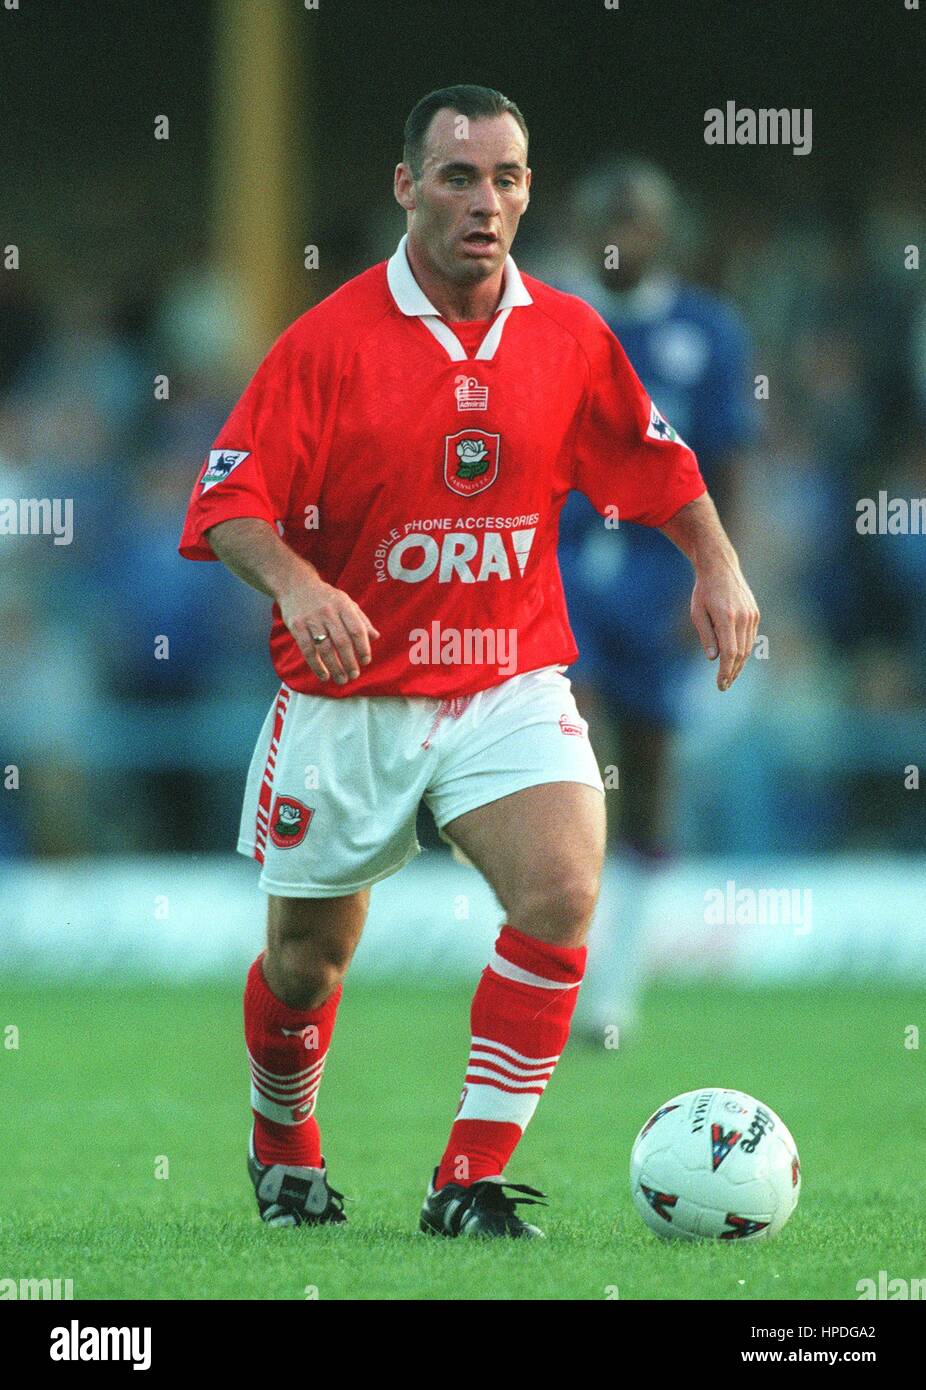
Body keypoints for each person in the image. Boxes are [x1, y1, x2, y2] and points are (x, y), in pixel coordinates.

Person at [178, 86, 759, 1238]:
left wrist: (717, 565)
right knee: (306, 964)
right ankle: (282, 1136)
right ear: (406, 187)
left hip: (508, 675)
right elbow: (227, 501)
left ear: (528, 191)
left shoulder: (566, 334)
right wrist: (300, 582)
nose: (483, 202)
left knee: (560, 891)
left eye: (505, 178)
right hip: (349, 695)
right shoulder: (326, 342)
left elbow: (653, 458)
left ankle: (467, 1179)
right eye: (457, 176)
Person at [551, 158, 757, 1040]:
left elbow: (729, 464)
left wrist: (720, 573)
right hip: (558, 565)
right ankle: (557, 963)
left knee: (651, 775)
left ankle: (615, 991)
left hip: (658, 570)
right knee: (574, 750)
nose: (618, 237)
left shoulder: (707, 331)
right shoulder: (551, 322)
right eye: (605, 217)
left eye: (634, 220)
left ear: (665, 234)